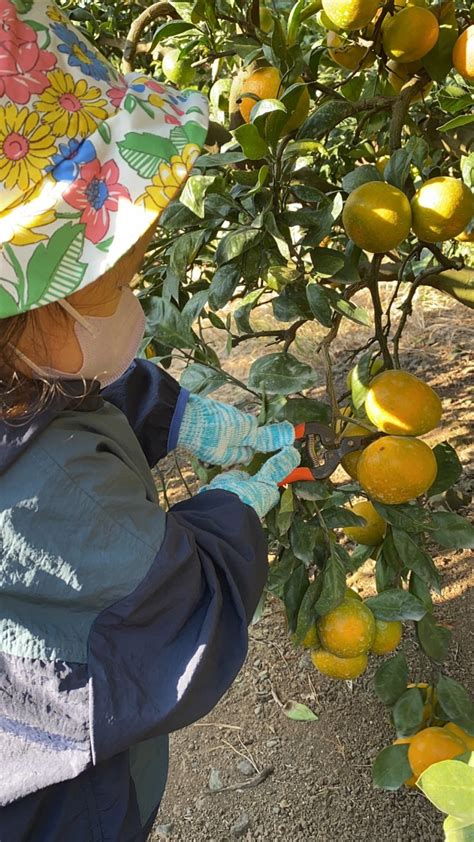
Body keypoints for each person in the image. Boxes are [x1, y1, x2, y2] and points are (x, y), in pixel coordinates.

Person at [0, 1, 300, 838]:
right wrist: (235, 511)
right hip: (60, 811)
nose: (129, 301)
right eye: (112, 282)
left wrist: (179, 417)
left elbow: (64, 389)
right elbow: (175, 617)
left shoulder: (21, 379)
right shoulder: (59, 497)